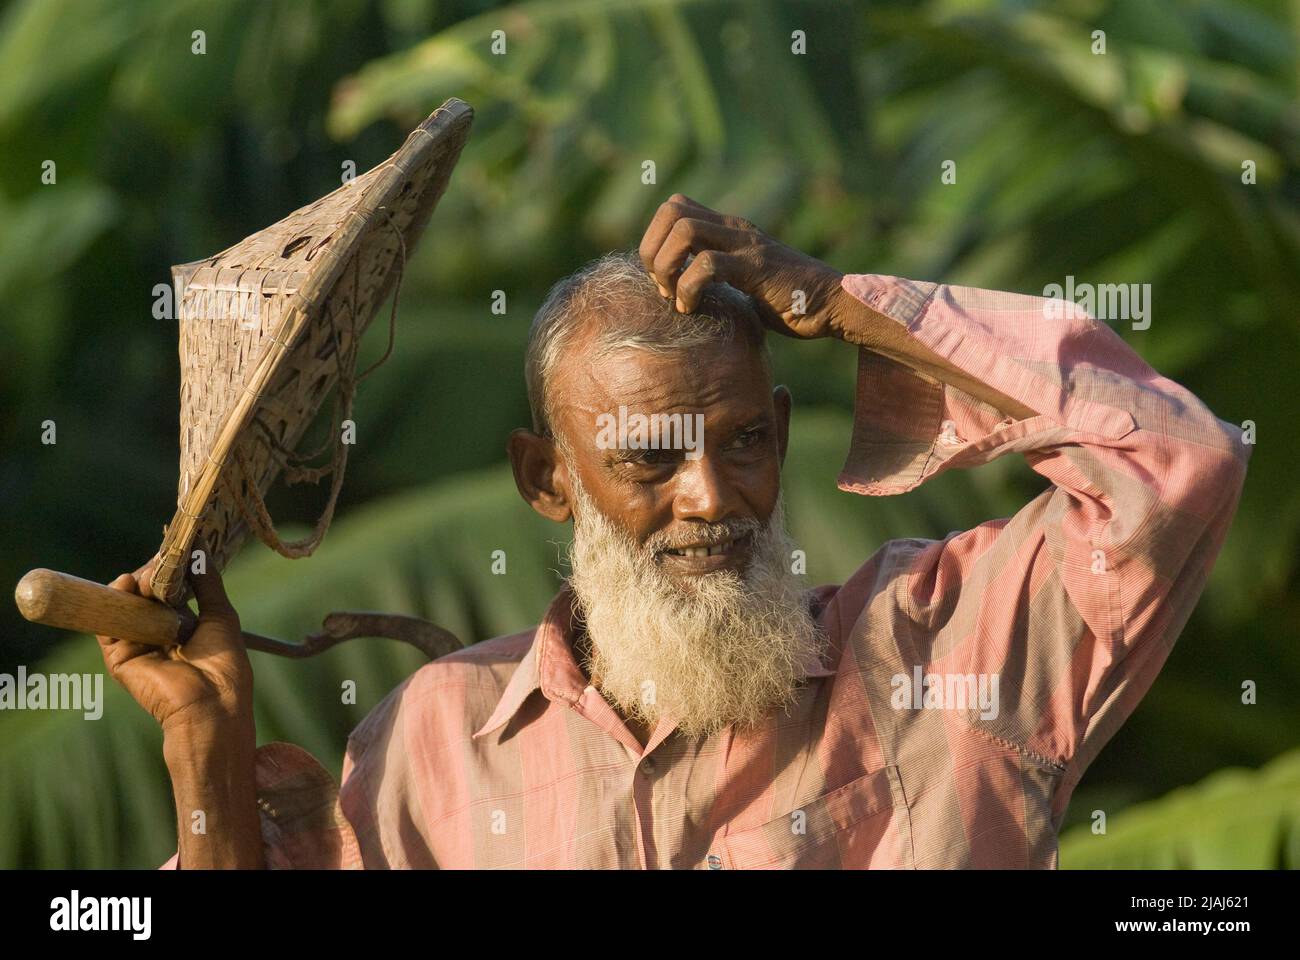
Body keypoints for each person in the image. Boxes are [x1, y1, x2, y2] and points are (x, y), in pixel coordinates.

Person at [99, 195, 1250, 869]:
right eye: (647, 459)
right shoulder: (426, 754)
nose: (708, 498)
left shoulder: (943, 659)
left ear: (782, 436)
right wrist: (207, 748)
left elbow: (1172, 460)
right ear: (546, 480)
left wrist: (827, 299)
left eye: (741, 443)